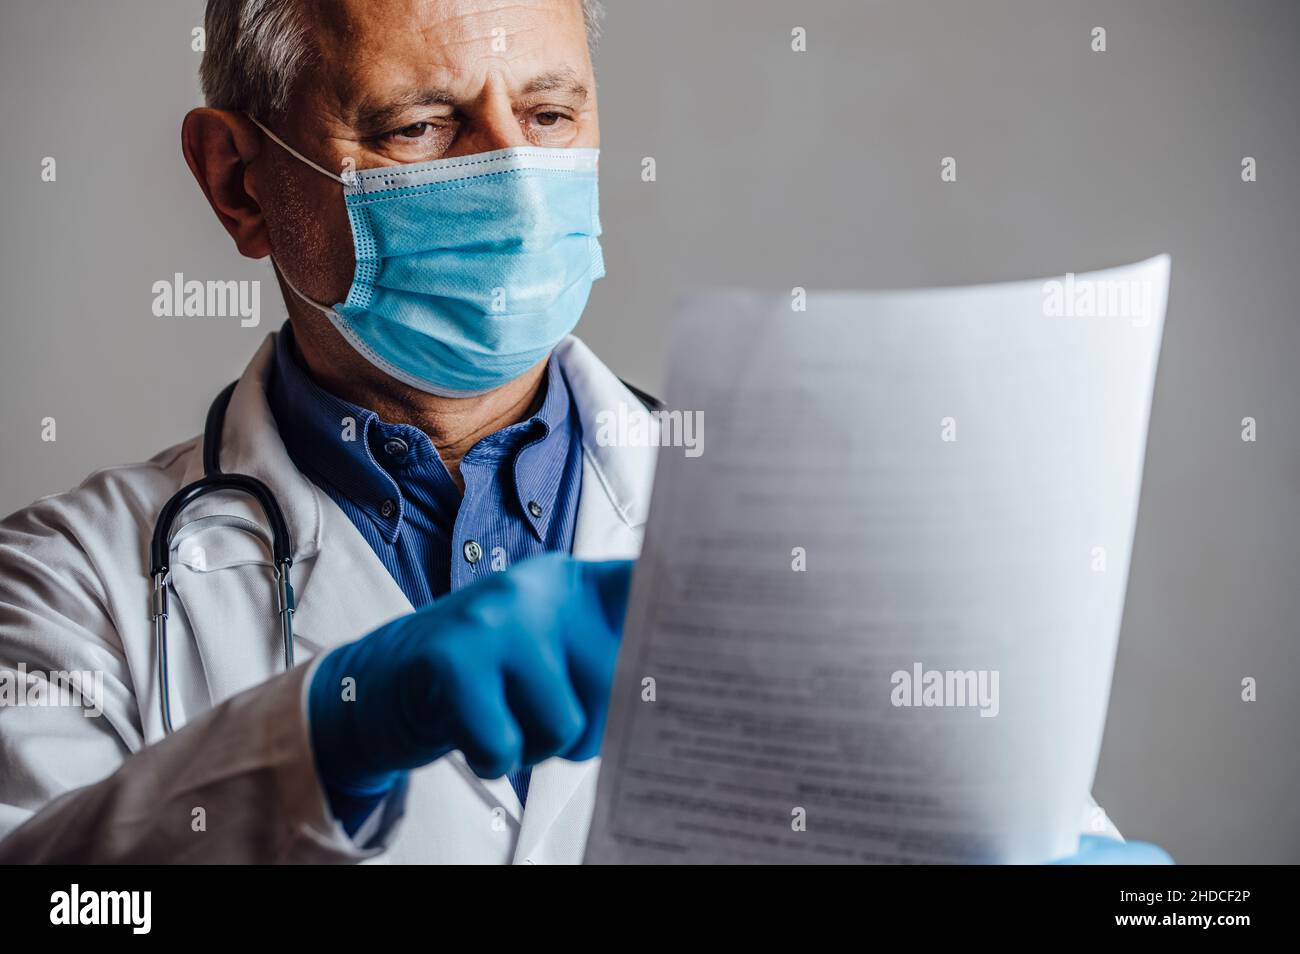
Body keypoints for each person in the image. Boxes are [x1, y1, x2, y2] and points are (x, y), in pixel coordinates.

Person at [0, 0, 1168, 865]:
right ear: (239, 181)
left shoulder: (808, 532)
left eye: (549, 114)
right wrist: (340, 727)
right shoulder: (69, 586)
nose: (513, 179)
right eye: (420, 128)